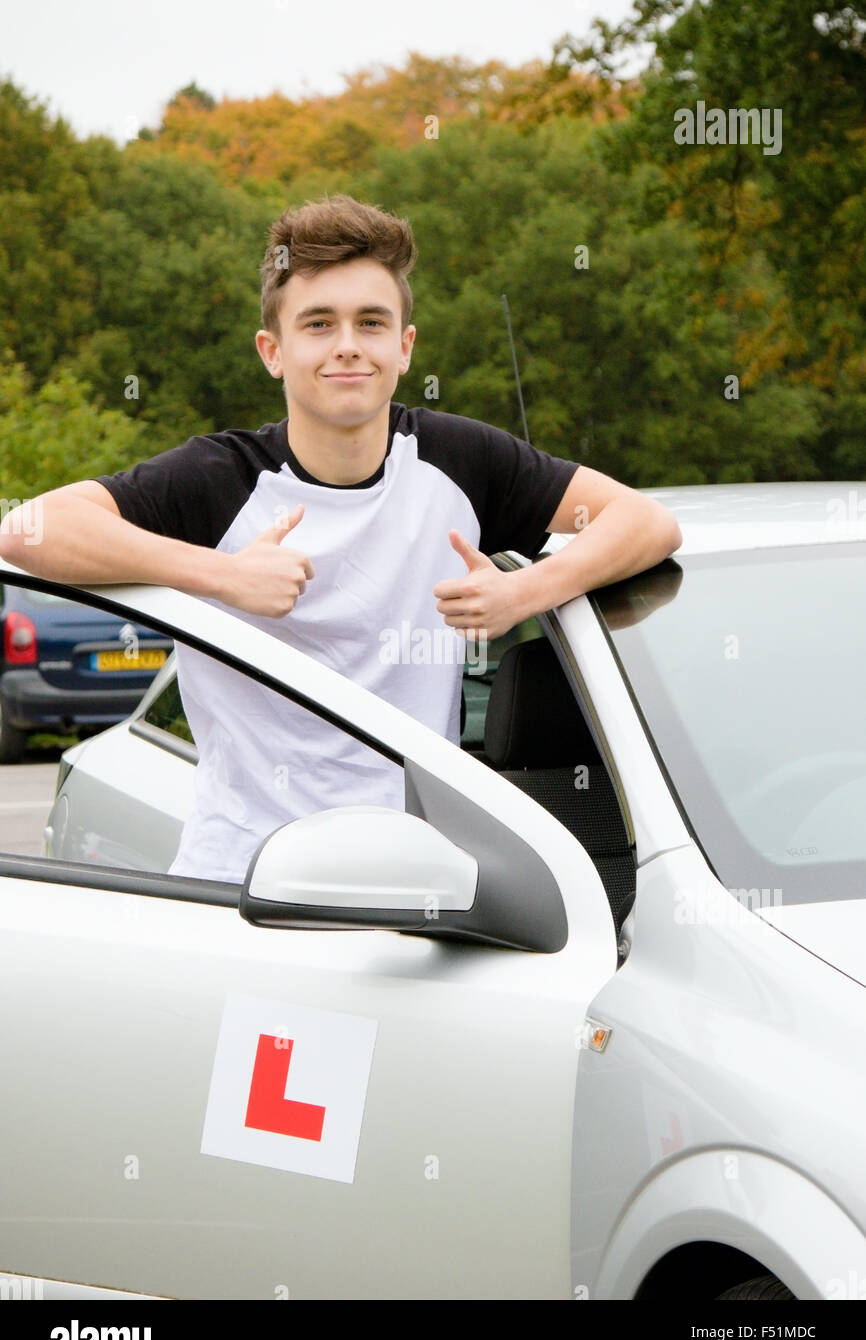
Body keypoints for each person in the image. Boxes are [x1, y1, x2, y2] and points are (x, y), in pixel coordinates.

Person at [0, 194, 681, 882]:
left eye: (371, 322)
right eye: (319, 323)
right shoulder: (218, 478)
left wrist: (524, 593)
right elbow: (26, 531)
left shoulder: (463, 461)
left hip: (415, 883)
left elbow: (646, 523)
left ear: (405, 346)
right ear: (274, 351)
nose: (348, 344)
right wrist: (219, 574)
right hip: (240, 889)